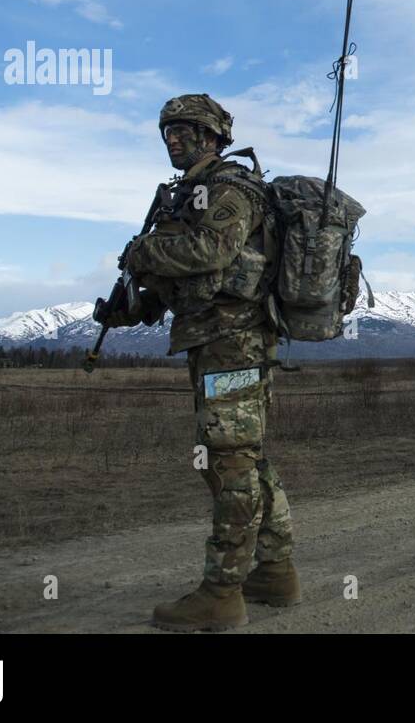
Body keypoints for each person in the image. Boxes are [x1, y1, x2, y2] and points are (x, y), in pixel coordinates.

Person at [102, 93, 298, 630]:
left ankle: (221, 591)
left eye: (184, 130)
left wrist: (142, 253)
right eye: (166, 130)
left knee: (230, 463)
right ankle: (275, 571)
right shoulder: (185, 196)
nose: (172, 138)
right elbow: (189, 280)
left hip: (235, 344)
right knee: (247, 458)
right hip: (213, 341)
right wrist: (133, 306)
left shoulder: (231, 189)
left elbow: (213, 252)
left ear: (212, 136)